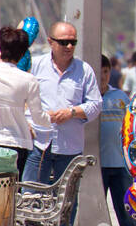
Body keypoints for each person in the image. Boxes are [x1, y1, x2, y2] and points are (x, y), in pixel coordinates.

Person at [23, 23, 102, 187]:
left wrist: (72, 112)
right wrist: (30, 120)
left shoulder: (84, 70)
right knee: (30, 197)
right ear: (51, 42)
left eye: (73, 42)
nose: (69, 46)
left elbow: (96, 104)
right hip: (39, 145)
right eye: (64, 42)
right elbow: (21, 99)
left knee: (67, 202)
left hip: (70, 147)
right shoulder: (35, 65)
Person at [0, 26, 52, 178]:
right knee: (11, 194)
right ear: (23, 54)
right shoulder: (29, 80)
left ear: (0, 49)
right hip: (16, 145)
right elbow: (38, 118)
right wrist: (52, 119)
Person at [95, 55, 136, 226]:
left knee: (126, 208)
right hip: (96, 166)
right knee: (97, 210)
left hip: (120, 164)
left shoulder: (120, 98)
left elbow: (132, 126)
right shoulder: (87, 98)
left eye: (106, 72)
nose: (103, 76)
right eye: (99, 72)